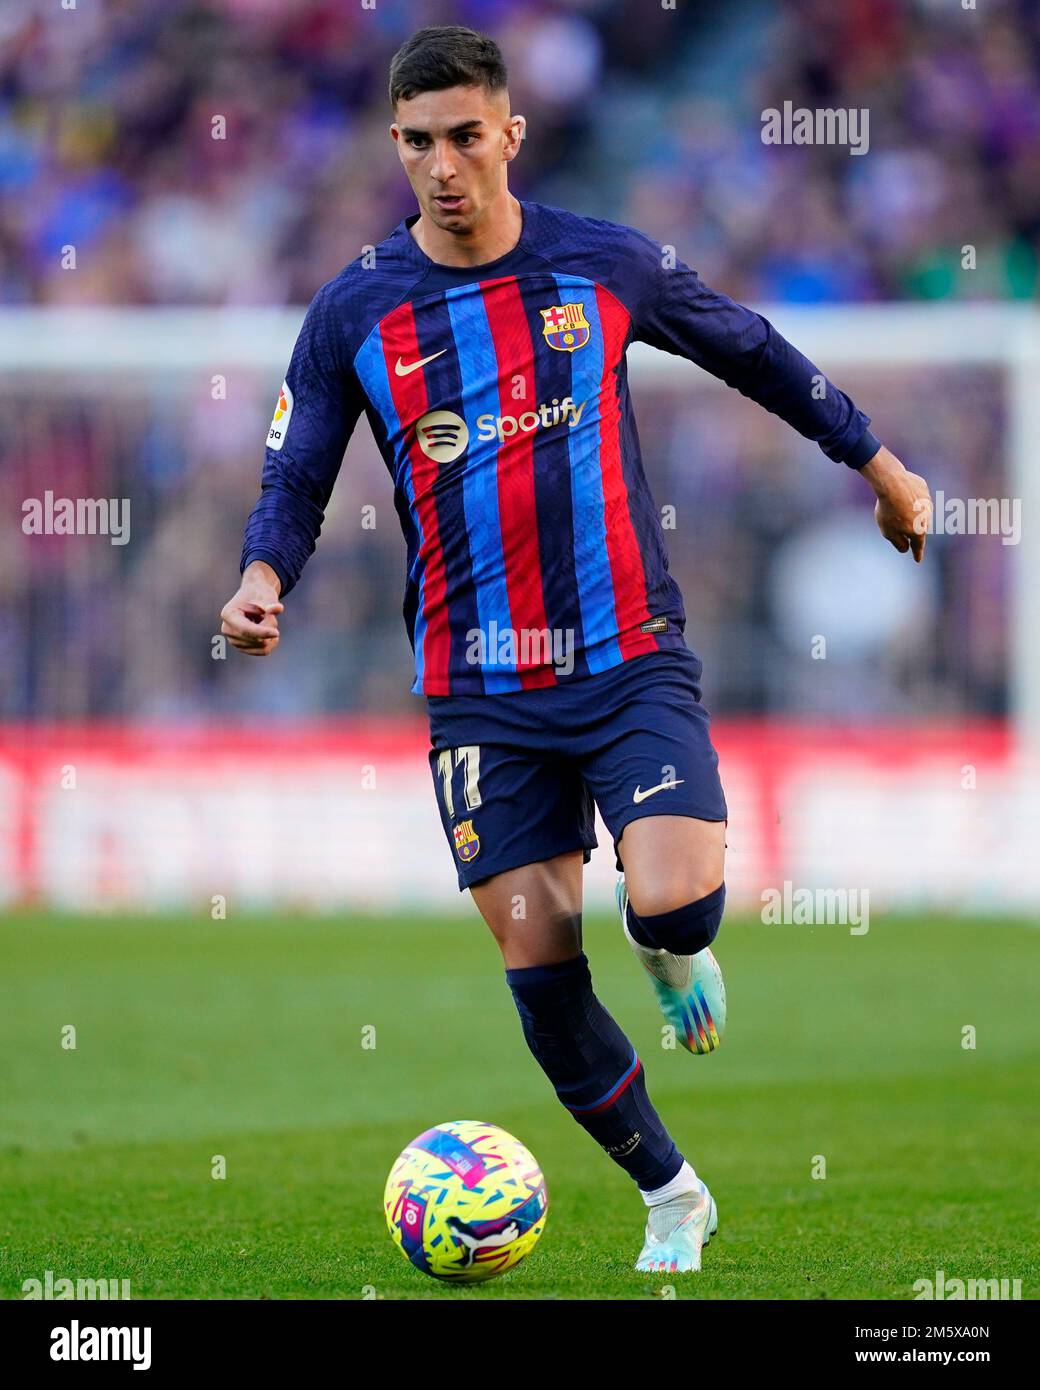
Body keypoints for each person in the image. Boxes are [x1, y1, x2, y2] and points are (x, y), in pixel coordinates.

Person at [221, 24, 932, 1273]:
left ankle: (671, 948)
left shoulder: (601, 266)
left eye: (463, 136)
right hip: (477, 696)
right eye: (417, 143)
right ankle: (671, 1194)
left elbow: (747, 347)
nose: (443, 165)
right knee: (540, 966)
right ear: (396, 147)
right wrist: (260, 579)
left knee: (673, 901)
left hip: (623, 657)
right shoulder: (354, 309)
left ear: (511, 133)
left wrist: (875, 464)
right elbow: (295, 470)